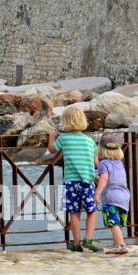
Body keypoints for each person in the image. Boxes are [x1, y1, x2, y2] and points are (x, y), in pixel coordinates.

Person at [49, 106, 100, 252]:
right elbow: (96, 163)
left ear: (66, 122)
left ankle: (76, 243)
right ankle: (89, 239)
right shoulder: (89, 141)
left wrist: (52, 137)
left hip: (71, 182)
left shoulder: (64, 138)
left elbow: (52, 150)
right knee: (92, 210)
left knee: (74, 212)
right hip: (87, 181)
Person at [95, 133, 131, 255]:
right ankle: (116, 244)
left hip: (110, 197)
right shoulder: (119, 163)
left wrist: (97, 193)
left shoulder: (103, 164)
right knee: (118, 222)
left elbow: (104, 178)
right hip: (124, 196)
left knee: (112, 222)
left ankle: (121, 245)